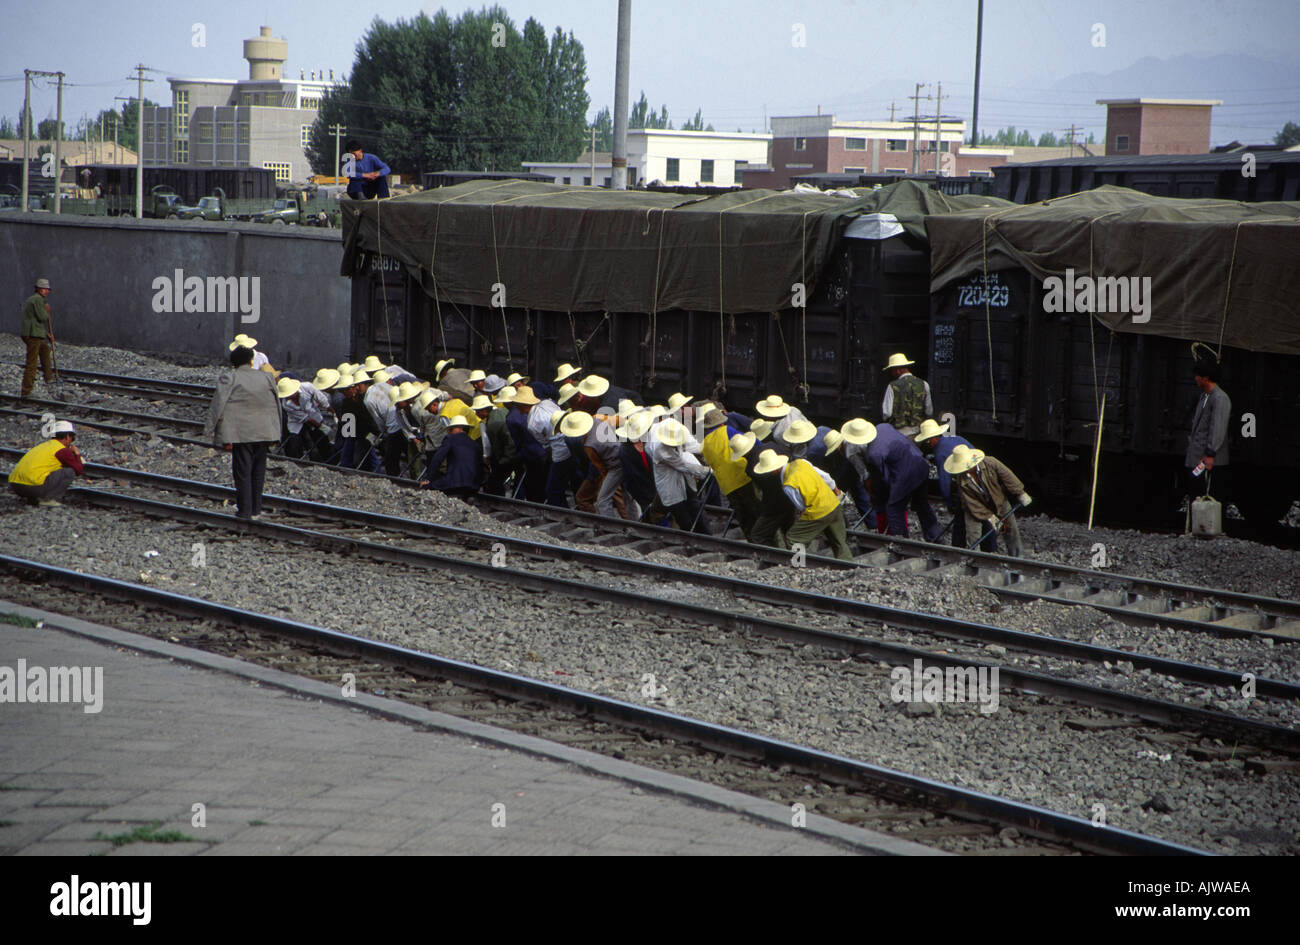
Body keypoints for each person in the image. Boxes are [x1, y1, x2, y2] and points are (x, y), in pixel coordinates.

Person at [205, 345, 281, 520]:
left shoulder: (230, 378)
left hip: (241, 434)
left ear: (234, 363)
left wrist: (209, 431)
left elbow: (217, 406)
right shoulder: (267, 378)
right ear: (251, 361)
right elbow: (275, 406)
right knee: (258, 472)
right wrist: (276, 433)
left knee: (243, 472)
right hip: (264, 432)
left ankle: (244, 511)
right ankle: (256, 510)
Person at [843, 418, 942, 541]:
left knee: (894, 508)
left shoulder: (874, 454)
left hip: (906, 474)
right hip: (921, 465)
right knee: (922, 504)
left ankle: (901, 544)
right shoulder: (883, 426)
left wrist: (877, 496)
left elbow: (885, 479)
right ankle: (935, 536)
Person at [756, 449, 854, 561]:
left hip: (818, 512)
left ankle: (799, 565)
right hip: (834, 504)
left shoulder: (789, 483)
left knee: (793, 538)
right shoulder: (801, 462)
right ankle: (848, 565)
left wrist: (808, 523)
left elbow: (801, 506)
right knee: (839, 542)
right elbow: (825, 476)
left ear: (774, 470)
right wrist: (835, 491)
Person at [945, 444, 1031, 557]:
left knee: (1011, 529)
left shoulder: (990, 463)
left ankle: (1017, 557)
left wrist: (1019, 492)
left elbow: (1007, 476)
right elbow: (972, 503)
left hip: (999, 500)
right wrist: (989, 516)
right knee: (973, 533)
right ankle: (974, 558)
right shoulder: (961, 479)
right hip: (974, 507)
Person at [699, 408, 760, 538]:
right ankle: (764, 540)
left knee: (742, 516)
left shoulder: (704, 443)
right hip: (743, 477)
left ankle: (752, 541)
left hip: (727, 485)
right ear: (721, 423)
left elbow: (711, 463)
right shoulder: (727, 430)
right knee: (755, 511)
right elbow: (748, 443)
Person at [914, 417, 975, 548]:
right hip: (977, 471)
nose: (927, 444)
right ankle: (988, 547)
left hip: (969, 480)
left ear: (931, 440)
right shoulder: (953, 438)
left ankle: (957, 547)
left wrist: (949, 502)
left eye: (927, 441)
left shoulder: (941, 452)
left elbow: (944, 481)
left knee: (960, 517)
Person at [1184, 358, 1231, 522]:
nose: (1195, 378)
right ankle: (1198, 526)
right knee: (1197, 491)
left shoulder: (1219, 398)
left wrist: (1210, 453)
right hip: (1199, 456)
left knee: (1211, 493)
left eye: (1198, 375)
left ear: (1206, 377)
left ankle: (1210, 527)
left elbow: (1218, 427)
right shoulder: (1205, 397)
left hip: (1209, 458)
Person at [646, 417, 712, 533]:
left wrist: (710, 451)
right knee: (681, 514)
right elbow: (683, 465)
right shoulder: (661, 450)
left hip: (683, 477)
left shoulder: (675, 428)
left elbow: (693, 445)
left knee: (694, 504)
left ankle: (707, 535)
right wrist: (707, 471)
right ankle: (691, 537)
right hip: (669, 481)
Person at [9, 420, 83, 506]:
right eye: (72, 438)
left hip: (16, 487)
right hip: (33, 488)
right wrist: (77, 454)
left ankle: (33, 498)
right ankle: (49, 499)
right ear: (67, 436)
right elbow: (78, 470)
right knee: (69, 472)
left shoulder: (43, 446)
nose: (72, 441)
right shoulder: (62, 450)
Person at [419, 417, 482, 497]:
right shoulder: (475, 444)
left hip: (455, 482)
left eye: (451, 429)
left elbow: (437, 459)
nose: (449, 432)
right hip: (474, 486)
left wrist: (428, 479)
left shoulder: (450, 439)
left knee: (427, 487)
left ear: (459, 428)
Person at [508, 386, 549, 502]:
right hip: (543, 453)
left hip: (531, 455)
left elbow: (518, 441)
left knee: (533, 485)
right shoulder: (542, 410)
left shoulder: (513, 418)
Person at [277, 376, 332, 461]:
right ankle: (296, 461)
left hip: (313, 414)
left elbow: (321, 399)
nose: (287, 397)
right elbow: (306, 418)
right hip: (296, 421)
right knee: (295, 442)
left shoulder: (307, 387)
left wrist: (332, 411)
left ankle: (327, 459)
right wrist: (321, 426)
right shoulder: (286, 404)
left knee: (321, 439)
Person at [881, 352, 933, 437]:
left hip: (899, 434)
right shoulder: (924, 384)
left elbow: (887, 413)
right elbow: (929, 411)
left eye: (892, 370)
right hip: (919, 433)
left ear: (897, 370)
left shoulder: (892, 386)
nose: (891, 373)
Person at [20, 277, 55, 399]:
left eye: (47, 289)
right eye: (44, 289)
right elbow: (42, 318)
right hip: (33, 335)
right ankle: (26, 391)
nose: (46, 291)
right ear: (39, 289)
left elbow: (35, 322)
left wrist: (46, 334)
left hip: (34, 333)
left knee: (45, 350)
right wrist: (46, 311)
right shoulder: (38, 300)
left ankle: (49, 378)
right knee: (32, 362)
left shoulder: (34, 299)